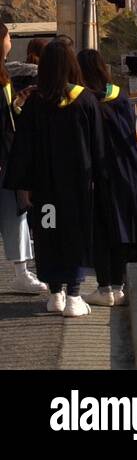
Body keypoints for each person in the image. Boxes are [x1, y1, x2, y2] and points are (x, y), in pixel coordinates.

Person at [3, 41, 107, 317]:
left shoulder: (35, 104)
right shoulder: (85, 100)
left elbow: (23, 149)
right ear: (72, 66)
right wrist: (101, 181)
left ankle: (55, 295)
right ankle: (74, 295)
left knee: (48, 235)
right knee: (74, 234)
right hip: (77, 189)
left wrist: (23, 188)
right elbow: (99, 148)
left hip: (44, 191)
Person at [77, 50, 137, 307]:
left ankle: (104, 289)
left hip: (98, 172)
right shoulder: (119, 96)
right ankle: (118, 287)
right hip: (128, 168)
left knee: (101, 231)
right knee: (120, 229)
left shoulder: (84, 101)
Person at [0, 22, 46, 293]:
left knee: (15, 214)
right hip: (5, 158)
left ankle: (22, 272)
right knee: (14, 213)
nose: (11, 40)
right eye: (8, 36)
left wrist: (17, 105)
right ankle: (21, 273)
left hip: (9, 157)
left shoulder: (5, 75)